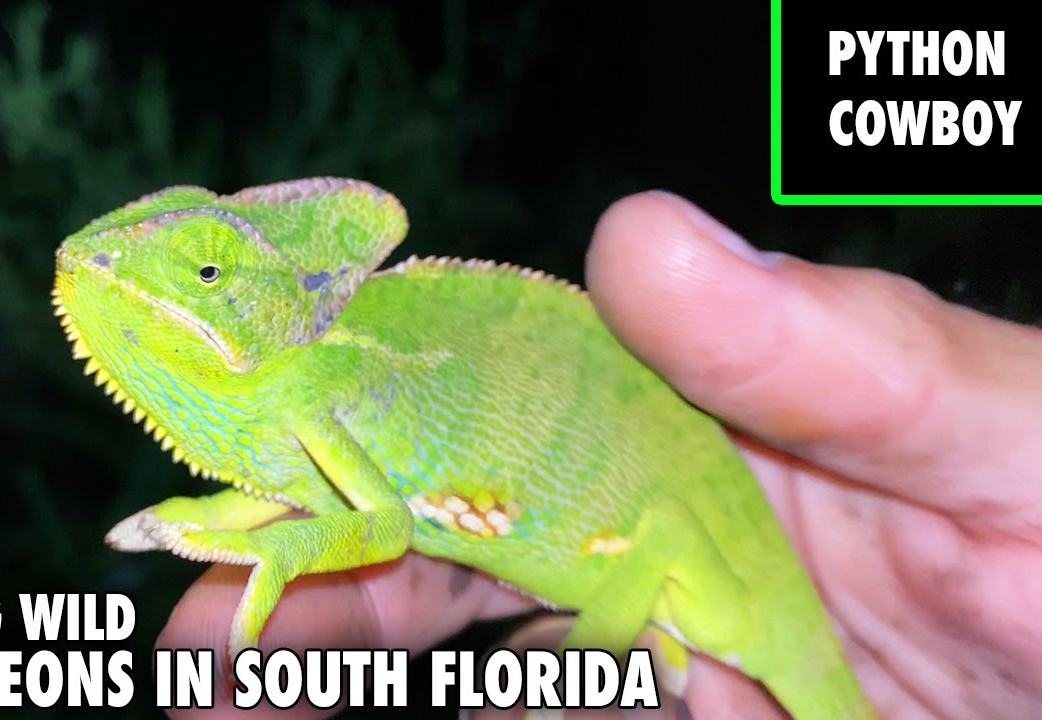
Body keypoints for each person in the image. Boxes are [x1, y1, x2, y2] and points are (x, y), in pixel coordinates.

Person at [157, 191, 1042, 719]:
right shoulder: (309, 385)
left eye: (204, 274)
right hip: (677, 548)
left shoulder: (317, 375)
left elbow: (380, 526)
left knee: (642, 565)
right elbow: (314, 488)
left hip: (709, 575)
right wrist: (219, 518)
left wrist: (590, 652)